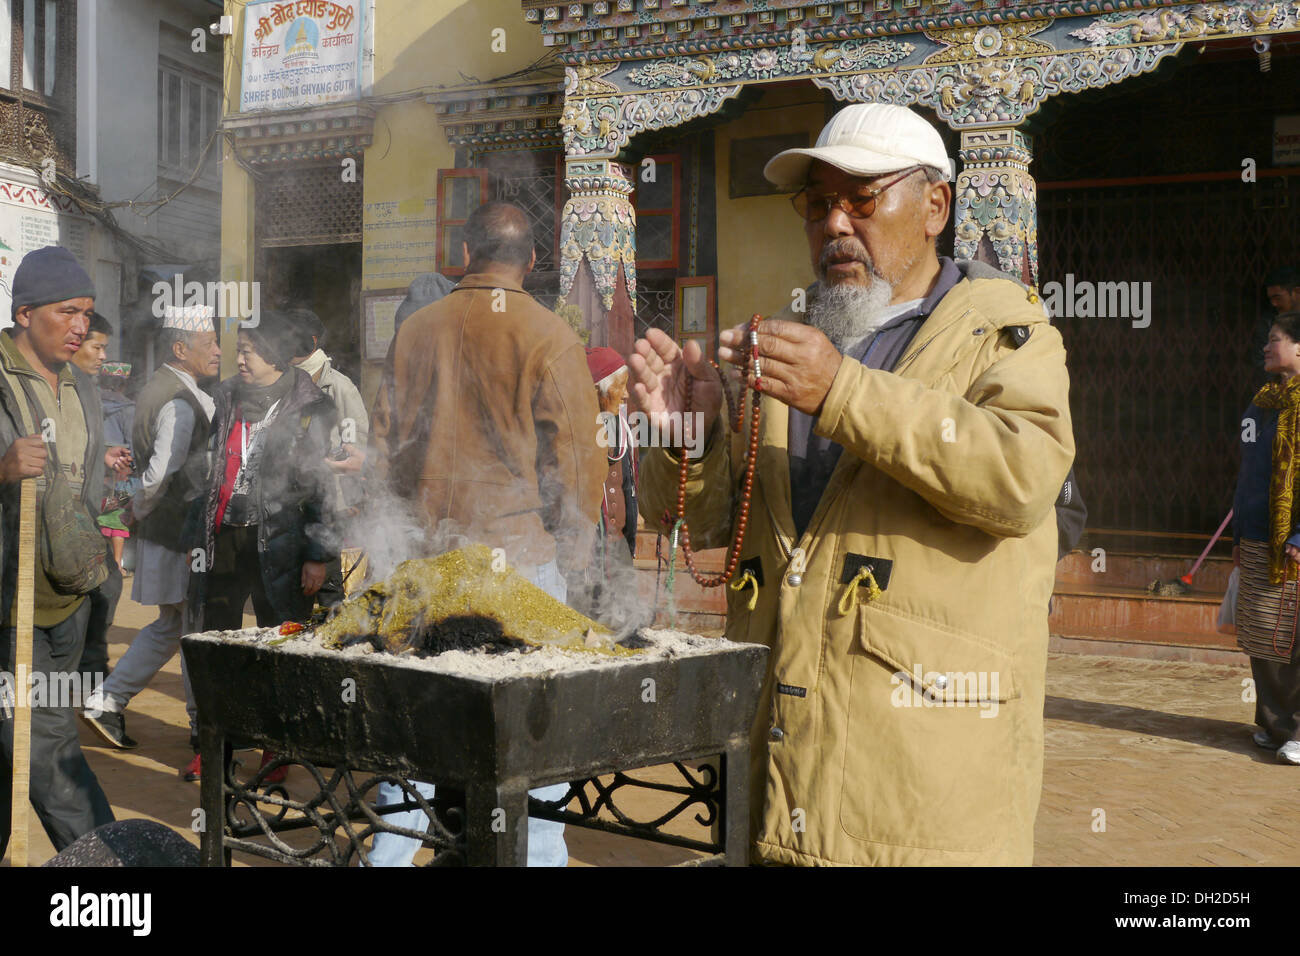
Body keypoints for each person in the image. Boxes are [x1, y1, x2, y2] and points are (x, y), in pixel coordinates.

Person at [630, 104, 1075, 866]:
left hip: (913, 785)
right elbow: (710, 529)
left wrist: (843, 392)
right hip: (778, 764)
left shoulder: (1008, 333)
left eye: (862, 198)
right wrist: (690, 435)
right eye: (818, 203)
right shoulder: (795, 342)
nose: (835, 223)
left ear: (935, 206)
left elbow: (1021, 476)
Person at [368, 200, 605, 867]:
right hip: (520, 568)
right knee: (531, 763)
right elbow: (578, 464)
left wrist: (390, 544)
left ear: (465, 254)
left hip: (424, 564)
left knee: (412, 749)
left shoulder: (415, 330)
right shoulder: (549, 335)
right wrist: (575, 561)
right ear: (531, 261)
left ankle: (389, 858)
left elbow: (385, 447)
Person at [0, 245, 119, 857]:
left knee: (16, 741)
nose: (81, 327)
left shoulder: (83, 388)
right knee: (48, 746)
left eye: (87, 313)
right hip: (8, 604)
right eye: (67, 312)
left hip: (67, 602)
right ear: (24, 312)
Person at [186, 312, 337, 781]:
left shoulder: (312, 407)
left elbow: (320, 487)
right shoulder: (228, 394)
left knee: (281, 645)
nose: (239, 360)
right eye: (238, 352)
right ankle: (217, 745)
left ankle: (280, 749)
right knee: (220, 644)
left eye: (248, 351)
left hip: (283, 543)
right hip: (227, 537)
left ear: (272, 353)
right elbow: (209, 459)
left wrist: (317, 556)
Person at [81, 308, 221, 775]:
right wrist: (136, 510)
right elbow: (161, 473)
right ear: (181, 349)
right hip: (177, 531)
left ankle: (107, 702)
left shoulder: (162, 388)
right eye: (210, 343)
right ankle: (202, 729)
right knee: (191, 628)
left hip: (165, 529)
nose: (219, 351)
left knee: (173, 626)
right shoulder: (179, 401)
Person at [1232, 310, 1300, 765]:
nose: (1266, 346)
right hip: (1257, 535)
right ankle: (1274, 724)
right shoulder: (1262, 404)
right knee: (1261, 632)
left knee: (1291, 635)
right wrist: (1239, 531)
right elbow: (1247, 474)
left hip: (1291, 543)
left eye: (1275, 339)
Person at [285, 307, 367, 606]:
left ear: (312, 341)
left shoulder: (339, 386)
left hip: (331, 500)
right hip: (290, 501)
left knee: (329, 586)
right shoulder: (281, 384)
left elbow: (357, 445)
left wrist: (351, 491)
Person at [71, 317, 132, 701]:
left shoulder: (87, 390)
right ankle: (90, 689)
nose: (103, 356)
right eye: (96, 347)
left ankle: (90, 685)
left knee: (106, 587)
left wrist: (103, 457)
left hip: (100, 500)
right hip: (72, 514)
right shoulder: (62, 387)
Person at [569, 346, 641, 633]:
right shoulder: (571, 434)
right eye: (620, 387)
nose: (626, 395)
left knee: (624, 632)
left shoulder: (624, 429)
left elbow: (627, 487)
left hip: (618, 550)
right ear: (598, 391)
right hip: (585, 557)